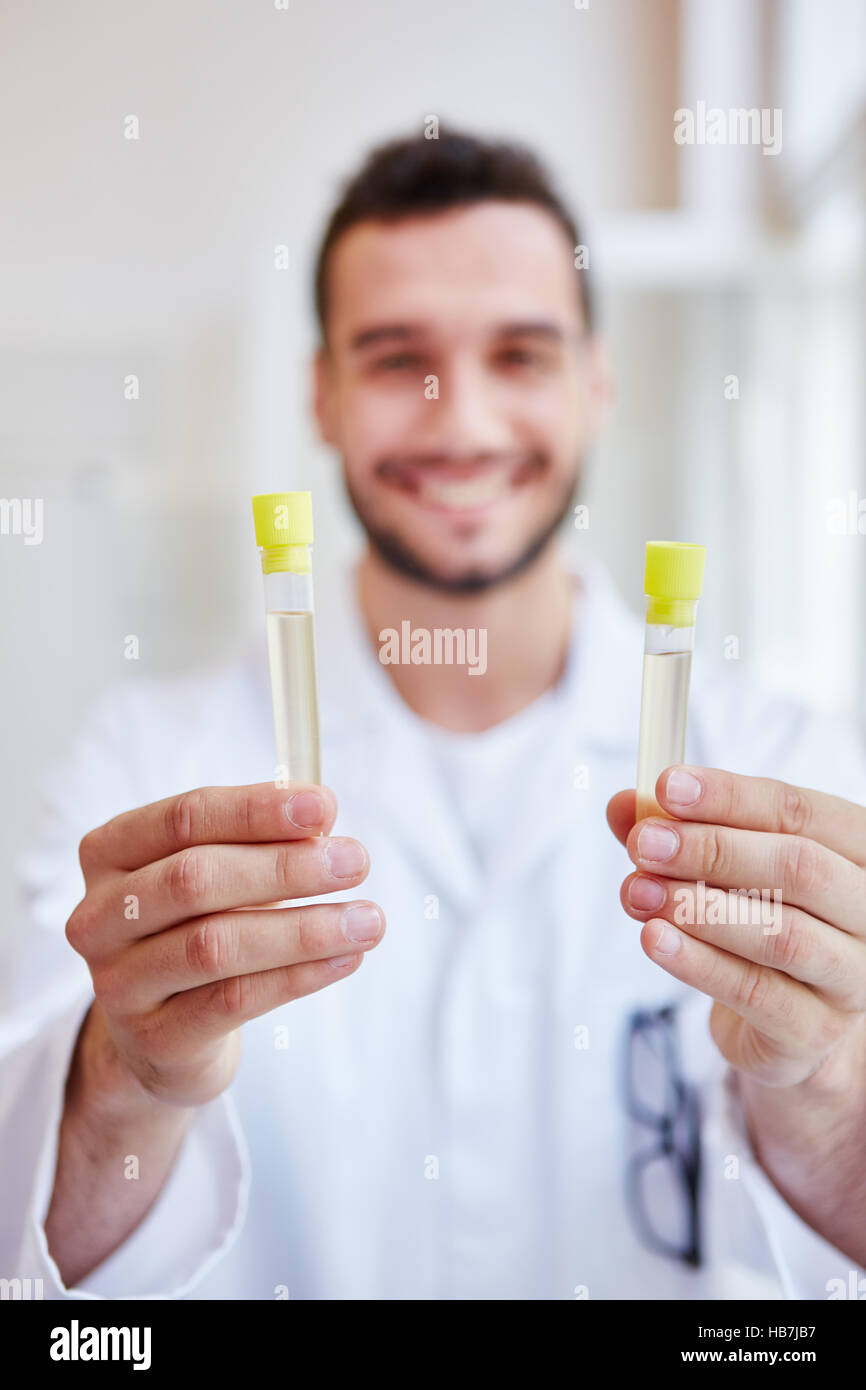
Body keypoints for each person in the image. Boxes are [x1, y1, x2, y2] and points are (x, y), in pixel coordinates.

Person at [2, 129, 866, 1301]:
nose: (457, 420)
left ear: (594, 382)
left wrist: (819, 1098)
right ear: (320, 393)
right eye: (395, 357)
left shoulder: (788, 773)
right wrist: (126, 1078)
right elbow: (32, 1261)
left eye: (519, 354)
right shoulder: (142, 761)